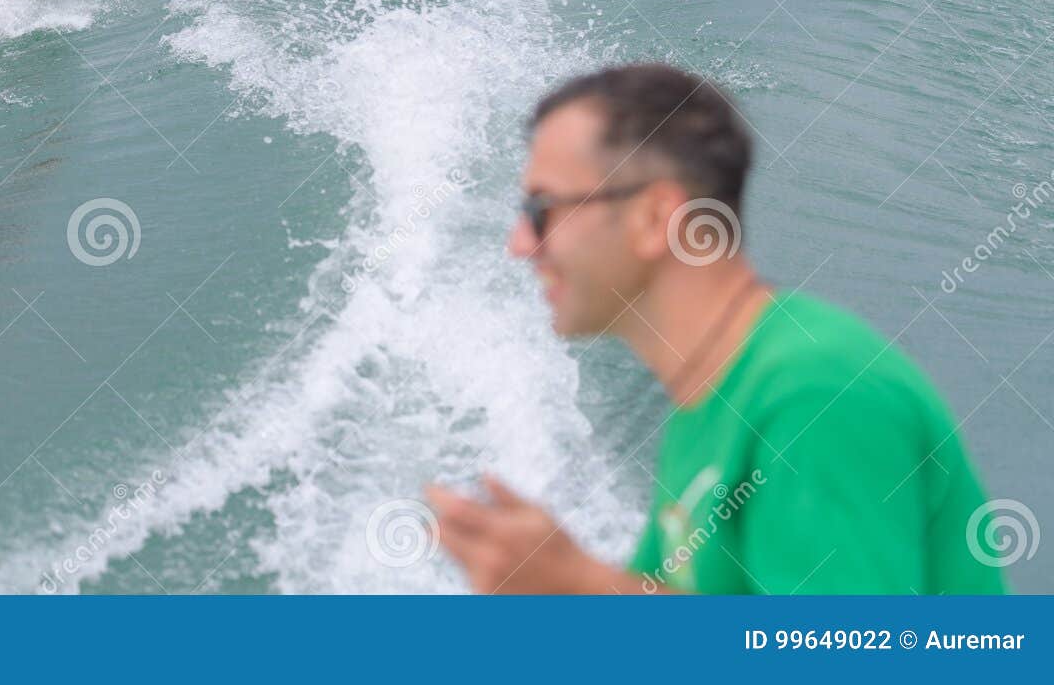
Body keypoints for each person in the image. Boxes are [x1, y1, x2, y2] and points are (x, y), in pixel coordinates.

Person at [427, 62, 1005, 595]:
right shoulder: (710, 401)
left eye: (541, 210)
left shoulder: (814, 392)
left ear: (655, 219)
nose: (519, 245)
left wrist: (582, 589)